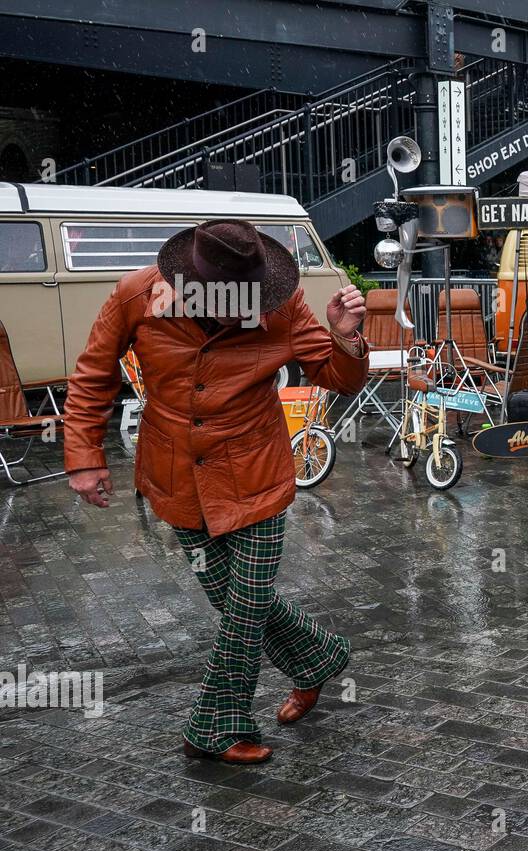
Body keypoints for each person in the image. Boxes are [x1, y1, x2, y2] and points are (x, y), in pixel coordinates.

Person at [62, 219, 370, 765]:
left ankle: (215, 726)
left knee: (245, 607)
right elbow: (92, 375)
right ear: (188, 281)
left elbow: (338, 379)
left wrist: (345, 336)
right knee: (236, 604)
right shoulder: (135, 294)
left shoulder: (282, 303)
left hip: (256, 475)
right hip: (176, 477)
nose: (240, 308)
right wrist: (85, 458)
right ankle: (316, 659)